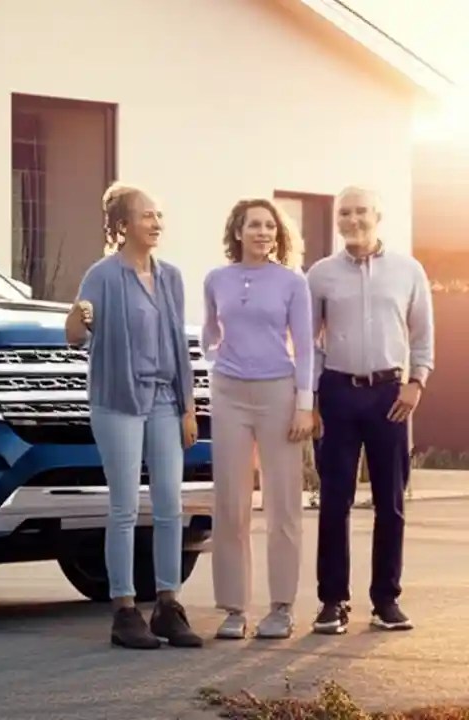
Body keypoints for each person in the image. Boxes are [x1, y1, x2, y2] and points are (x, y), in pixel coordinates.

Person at [65, 182, 203, 650]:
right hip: (117, 401)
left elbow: (179, 347)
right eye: (147, 216)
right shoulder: (102, 276)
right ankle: (124, 609)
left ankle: (167, 605)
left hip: (165, 400)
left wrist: (188, 406)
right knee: (124, 508)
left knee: (170, 507)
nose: (157, 223)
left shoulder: (171, 278)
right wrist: (80, 316)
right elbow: (74, 336)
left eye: (159, 216)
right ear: (123, 226)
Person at [308, 186, 434, 634]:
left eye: (361, 210)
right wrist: (314, 398)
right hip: (338, 394)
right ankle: (332, 601)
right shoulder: (320, 275)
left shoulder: (408, 270)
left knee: (391, 502)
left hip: (390, 397)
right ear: (337, 219)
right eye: (345, 212)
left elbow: (422, 334)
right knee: (334, 501)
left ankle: (385, 601)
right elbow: (310, 343)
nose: (353, 218)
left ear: (377, 215)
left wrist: (416, 383)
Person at [202, 199, 315, 640]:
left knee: (283, 503)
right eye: (254, 225)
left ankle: (282, 607)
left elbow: (304, 346)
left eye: (270, 226)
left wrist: (304, 403)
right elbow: (210, 331)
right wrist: (216, 359)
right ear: (238, 231)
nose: (263, 232)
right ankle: (233, 608)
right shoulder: (216, 279)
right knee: (230, 503)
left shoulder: (293, 283)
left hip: (278, 393)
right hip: (229, 393)